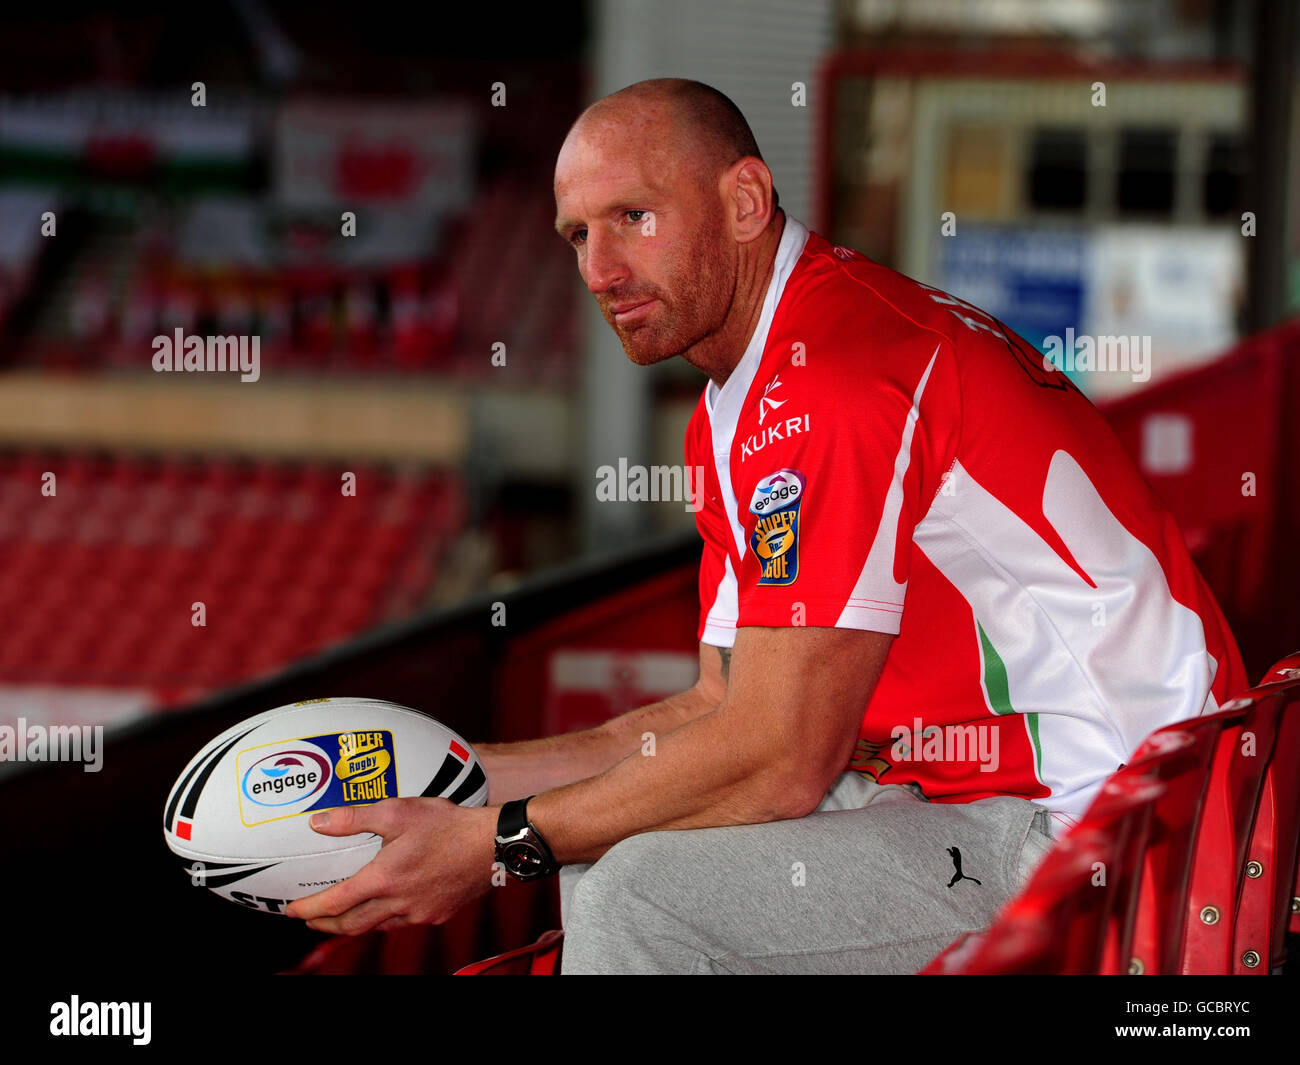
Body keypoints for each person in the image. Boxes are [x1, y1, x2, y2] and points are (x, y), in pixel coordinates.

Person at [286, 78, 1248, 974]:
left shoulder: (835, 377)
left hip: (1117, 829)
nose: (601, 268)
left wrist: (496, 847)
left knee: (637, 903)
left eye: (634, 217)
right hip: (1000, 796)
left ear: (747, 201)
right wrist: (472, 783)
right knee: (618, 857)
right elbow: (719, 711)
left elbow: (782, 761)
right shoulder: (740, 401)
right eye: (576, 235)